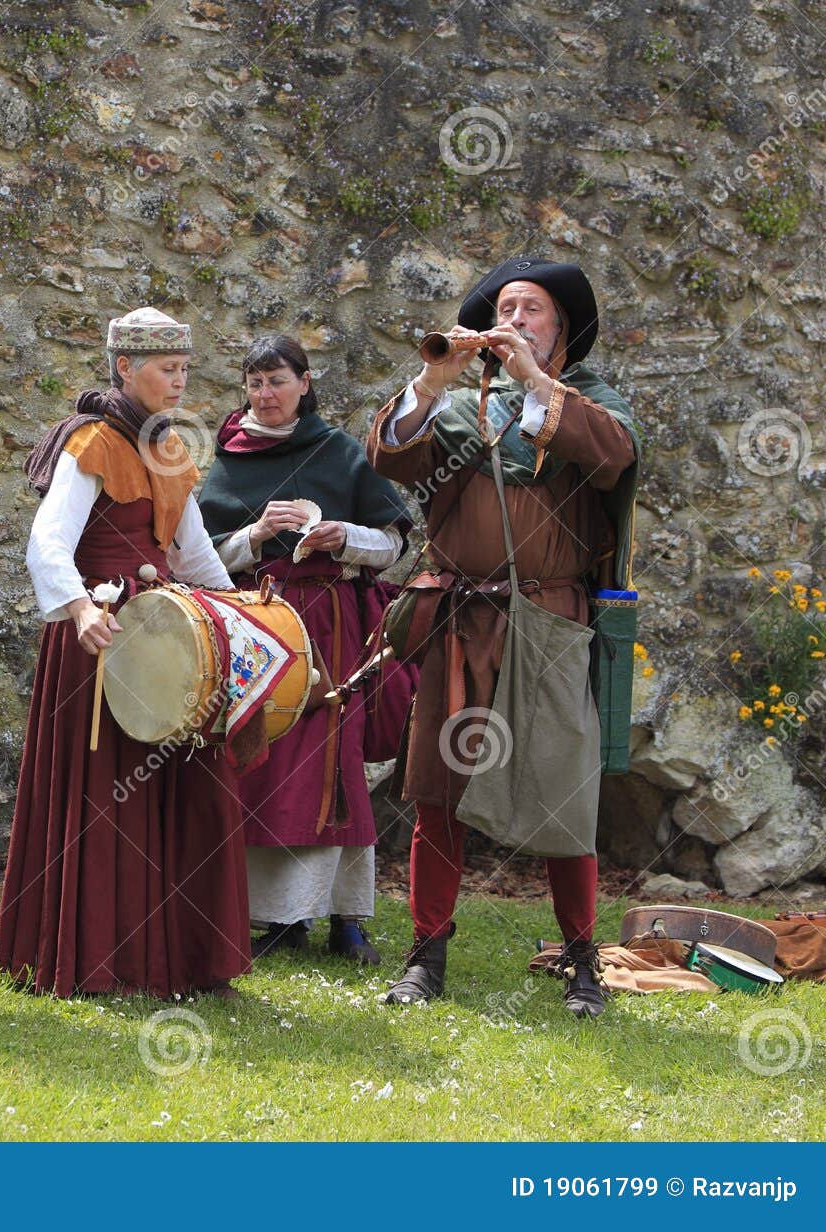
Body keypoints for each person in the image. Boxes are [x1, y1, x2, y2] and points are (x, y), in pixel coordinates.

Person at [365, 257, 638, 1017]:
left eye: (532, 310)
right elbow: (390, 456)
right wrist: (433, 382)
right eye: (506, 309)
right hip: (460, 620)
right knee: (438, 791)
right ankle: (425, 957)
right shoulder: (460, 408)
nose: (515, 320)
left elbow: (614, 455)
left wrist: (537, 384)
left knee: (563, 794)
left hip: (549, 624)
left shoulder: (591, 402)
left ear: (561, 326)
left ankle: (582, 963)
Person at [0, 307, 252, 999]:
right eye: (167, 369)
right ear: (126, 367)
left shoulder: (170, 450)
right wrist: (80, 608)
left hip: (169, 642)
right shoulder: (91, 442)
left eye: (185, 368)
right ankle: (98, 962)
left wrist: (240, 621)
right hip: (100, 641)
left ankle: (187, 961)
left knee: (193, 785)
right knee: (109, 802)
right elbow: (48, 542)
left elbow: (194, 557)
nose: (179, 380)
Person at [196, 335, 411, 965]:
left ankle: (347, 916)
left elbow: (393, 544)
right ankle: (274, 916)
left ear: (305, 382)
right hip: (256, 628)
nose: (265, 395)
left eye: (278, 381)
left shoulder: (340, 451)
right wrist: (256, 533)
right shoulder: (227, 460)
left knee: (332, 763)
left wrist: (344, 537)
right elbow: (202, 557)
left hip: (330, 625)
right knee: (259, 761)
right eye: (255, 383)